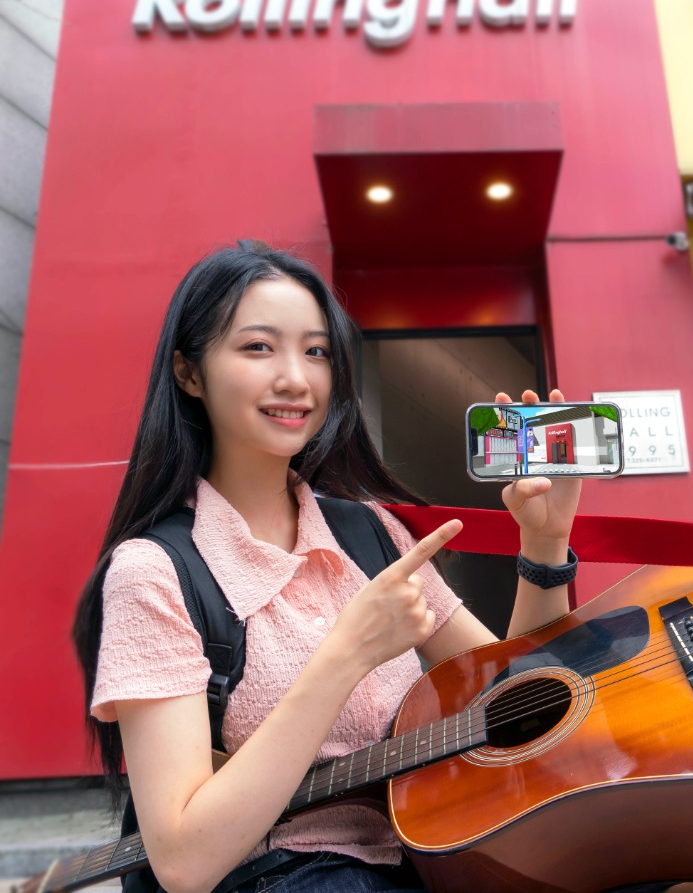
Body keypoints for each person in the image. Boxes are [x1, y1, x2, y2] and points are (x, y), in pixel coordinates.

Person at [74, 240, 584, 893]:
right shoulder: (155, 571)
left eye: (315, 351)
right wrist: (347, 654)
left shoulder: (367, 530)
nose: (296, 378)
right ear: (189, 373)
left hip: (435, 852)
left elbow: (520, 692)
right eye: (258, 347)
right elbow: (182, 861)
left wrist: (545, 543)